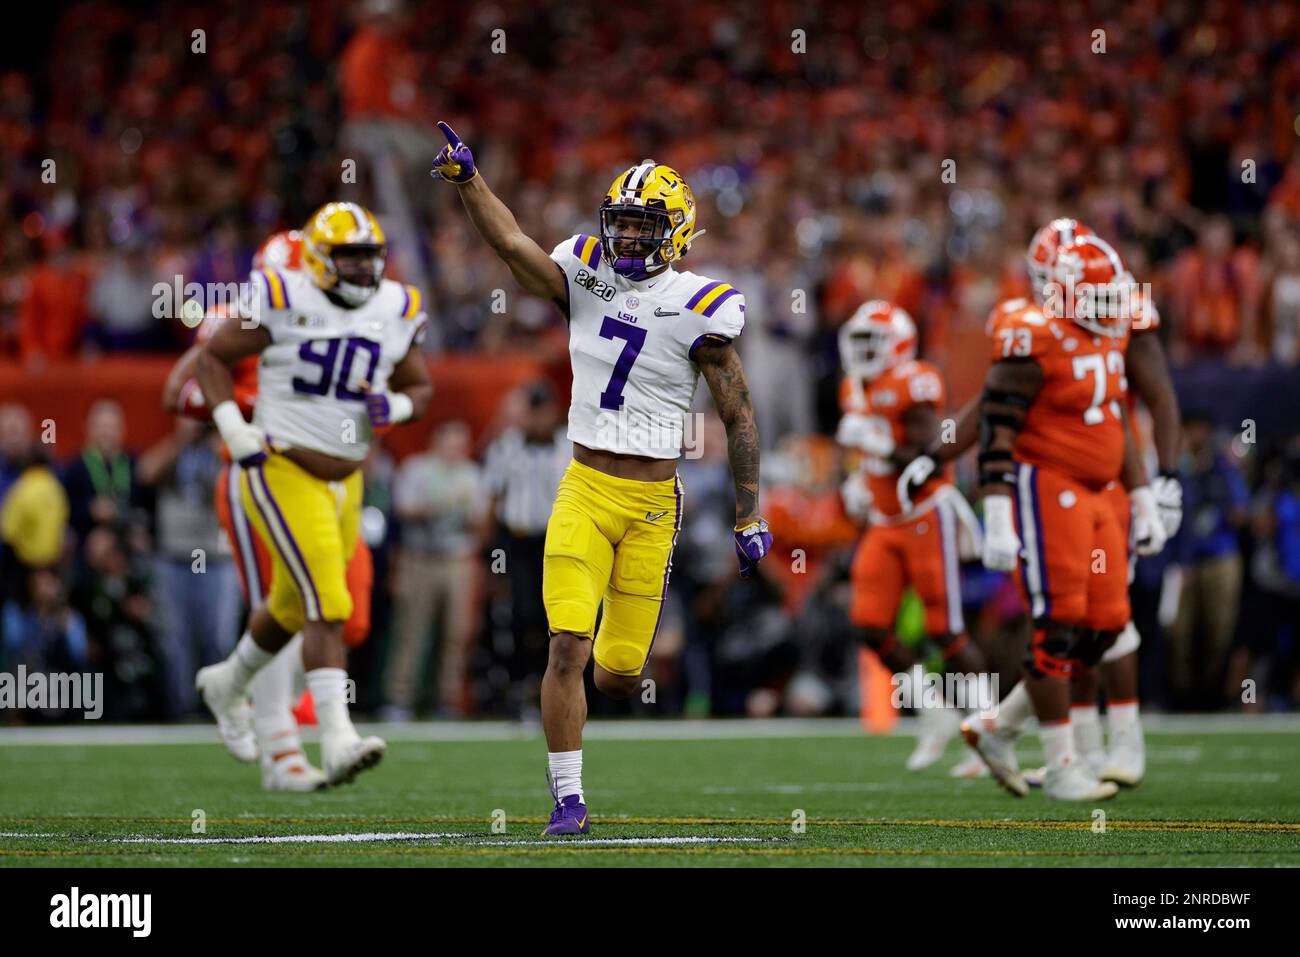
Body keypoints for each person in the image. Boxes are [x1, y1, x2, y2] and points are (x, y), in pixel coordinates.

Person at [432, 123, 772, 834]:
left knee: (618, 672)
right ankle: (567, 799)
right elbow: (512, 245)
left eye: (643, 227)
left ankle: (599, 715)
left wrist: (749, 514)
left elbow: (739, 416)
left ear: (676, 232)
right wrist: (471, 181)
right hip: (583, 486)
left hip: (652, 503)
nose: (626, 239)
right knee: (566, 646)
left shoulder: (701, 305)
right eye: (619, 223)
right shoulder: (584, 270)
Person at [192, 202, 432, 787]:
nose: (361, 268)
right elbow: (209, 360)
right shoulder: (281, 297)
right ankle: (336, 736)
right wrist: (233, 427)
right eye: (347, 257)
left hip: (348, 477)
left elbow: (419, 386)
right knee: (328, 594)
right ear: (318, 261)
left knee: (290, 607)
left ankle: (227, 683)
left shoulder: (395, 306)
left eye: (369, 256)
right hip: (281, 465)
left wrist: (395, 406)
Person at [947, 234, 1167, 800]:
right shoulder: (1032, 331)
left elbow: (1119, 414)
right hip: (1049, 489)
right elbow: (995, 420)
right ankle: (1069, 761)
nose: (1110, 307)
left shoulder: (1111, 326)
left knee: (1103, 624)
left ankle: (1002, 728)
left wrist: (1147, 491)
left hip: (1102, 491)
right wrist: (993, 508)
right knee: (1059, 620)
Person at [163, 229, 375, 791]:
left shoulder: (339, 313)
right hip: (261, 473)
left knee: (312, 607)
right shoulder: (245, 314)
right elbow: (180, 391)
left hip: (322, 479)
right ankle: (282, 752)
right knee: (287, 604)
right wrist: (251, 416)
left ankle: (233, 688)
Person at [834, 300, 988, 771]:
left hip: (925, 513)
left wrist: (879, 442)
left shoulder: (913, 381)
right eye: (858, 342)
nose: (863, 352)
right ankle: (935, 712)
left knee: (945, 629)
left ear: (898, 344)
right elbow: (875, 457)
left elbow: (928, 452)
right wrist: (862, 479)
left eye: (872, 342)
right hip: (885, 520)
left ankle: (987, 727)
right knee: (869, 622)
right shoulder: (852, 387)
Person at [384, 420, 487, 718]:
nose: (454, 450)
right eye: (449, 442)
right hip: (420, 558)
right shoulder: (417, 469)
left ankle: (448, 699)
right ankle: (399, 698)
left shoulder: (471, 474)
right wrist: (438, 505)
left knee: (455, 633)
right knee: (411, 630)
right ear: (436, 442)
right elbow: (403, 509)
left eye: (460, 443)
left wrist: (464, 511)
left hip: (456, 559)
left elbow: (479, 521)